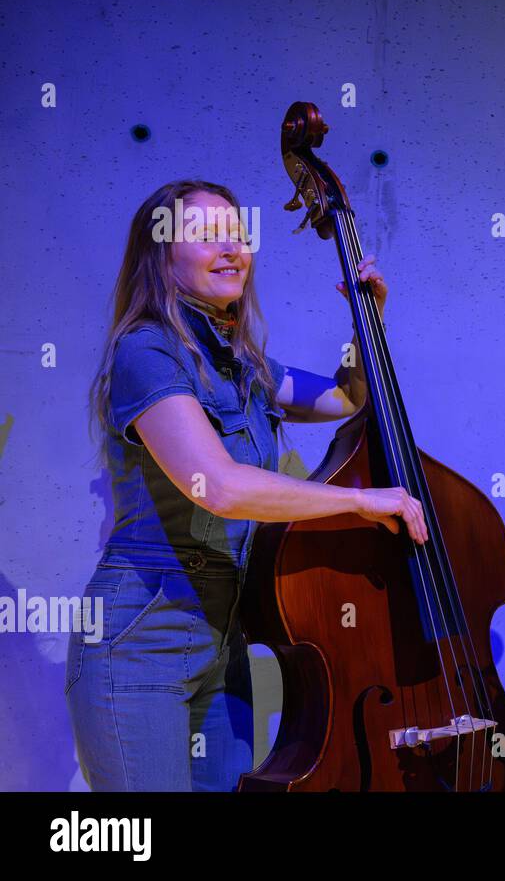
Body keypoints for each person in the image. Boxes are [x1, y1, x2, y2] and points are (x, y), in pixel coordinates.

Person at [66, 178, 429, 791]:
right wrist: (361, 501)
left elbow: (346, 396)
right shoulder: (147, 351)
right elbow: (221, 487)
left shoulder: (244, 365)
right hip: (137, 646)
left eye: (238, 234)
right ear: (161, 254)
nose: (232, 247)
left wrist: (368, 320)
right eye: (208, 236)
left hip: (222, 645)